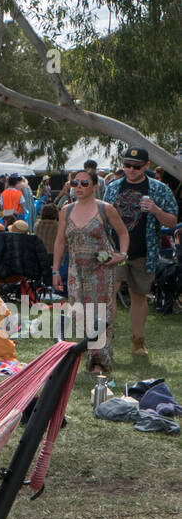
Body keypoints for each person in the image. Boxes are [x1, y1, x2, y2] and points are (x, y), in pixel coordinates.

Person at [101, 147, 179, 359]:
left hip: (145, 251)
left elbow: (172, 221)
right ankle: (105, 340)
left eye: (136, 166)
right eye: (127, 165)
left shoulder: (159, 189)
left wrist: (155, 210)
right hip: (115, 251)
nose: (131, 170)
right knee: (109, 295)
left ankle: (138, 340)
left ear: (146, 166)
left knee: (138, 296)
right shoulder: (113, 187)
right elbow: (102, 217)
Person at [52, 167, 130, 375]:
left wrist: (122, 255)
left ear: (95, 186)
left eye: (84, 183)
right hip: (76, 270)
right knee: (80, 314)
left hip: (101, 270)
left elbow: (123, 233)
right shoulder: (66, 211)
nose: (78, 187)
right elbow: (60, 241)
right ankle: (92, 351)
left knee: (101, 315)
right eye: (75, 183)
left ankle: (99, 361)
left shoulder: (106, 209)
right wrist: (55, 271)